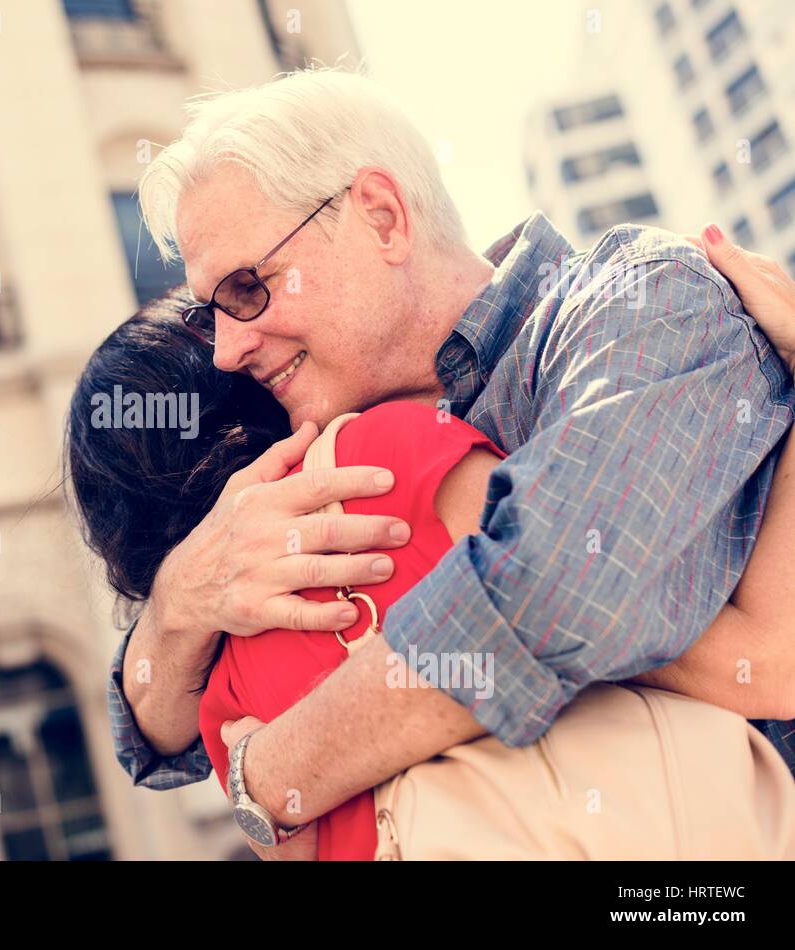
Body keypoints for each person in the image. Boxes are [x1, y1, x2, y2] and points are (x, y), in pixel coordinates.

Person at [102, 66, 795, 852]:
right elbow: (160, 739)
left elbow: (556, 596)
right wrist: (183, 602)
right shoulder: (341, 444)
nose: (225, 350)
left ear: (383, 216)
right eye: (208, 310)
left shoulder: (633, 300)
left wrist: (271, 776)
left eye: (248, 288)